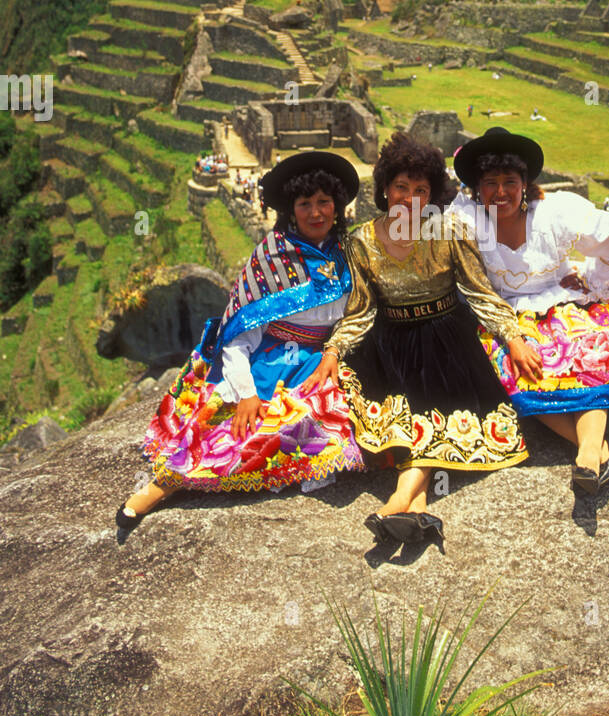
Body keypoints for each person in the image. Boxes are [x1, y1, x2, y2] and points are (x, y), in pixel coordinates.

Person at [301, 131, 541, 546]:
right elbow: (361, 309)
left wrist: (513, 338)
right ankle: (417, 510)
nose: (409, 198)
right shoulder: (359, 241)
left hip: (448, 344)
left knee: (431, 418)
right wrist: (333, 352)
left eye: (421, 190)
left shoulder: (448, 231)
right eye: (401, 187)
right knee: (403, 421)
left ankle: (397, 503)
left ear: (432, 195)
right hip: (390, 348)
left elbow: (479, 292)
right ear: (385, 189)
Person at [115, 152, 365, 530]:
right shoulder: (271, 259)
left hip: (320, 360)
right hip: (268, 360)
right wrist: (247, 392)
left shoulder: (347, 253)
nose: (316, 213)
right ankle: (165, 484)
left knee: (325, 417)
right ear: (290, 210)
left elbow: (357, 314)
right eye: (305, 204)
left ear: (338, 206)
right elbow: (236, 339)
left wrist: (334, 349)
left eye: (324, 202)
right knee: (228, 426)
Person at [450, 128, 609, 495]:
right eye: (490, 183)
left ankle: (587, 454)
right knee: (512, 370)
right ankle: (597, 448)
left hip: (561, 302)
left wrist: (594, 277)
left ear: (525, 183)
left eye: (510, 181)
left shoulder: (553, 214)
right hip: (505, 315)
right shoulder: (466, 223)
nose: (501, 192)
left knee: (588, 352)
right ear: (477, 188)